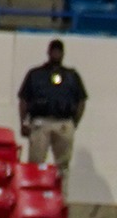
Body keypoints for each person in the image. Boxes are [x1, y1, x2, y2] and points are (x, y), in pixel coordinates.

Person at [18, 39, 87, 186]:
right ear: (48, 52)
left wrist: (74, 123)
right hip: (40, 122)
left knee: (63, 166)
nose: (56, 54)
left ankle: (60, 199)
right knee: (35, 164)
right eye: (54, 51)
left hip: (63, 122)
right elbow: (23, 99)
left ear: (63, 54)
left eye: (59, 51)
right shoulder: (35, 74)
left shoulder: (71, 76)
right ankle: (34, 196)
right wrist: (24, 122)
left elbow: (81, 100)